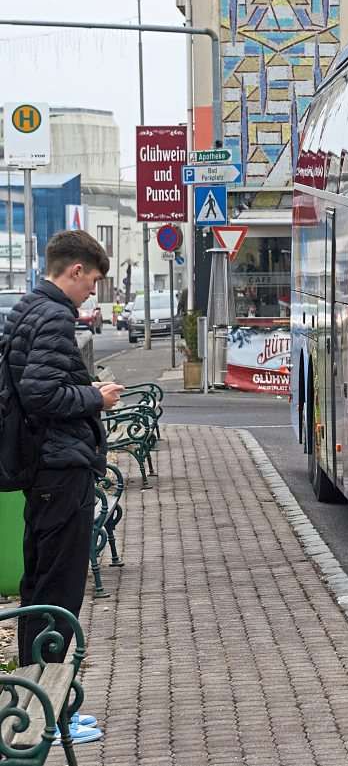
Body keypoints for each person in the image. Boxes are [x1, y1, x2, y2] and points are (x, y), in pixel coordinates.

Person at [9, 230, 122, 742]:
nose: (92, 293)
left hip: (40, 468)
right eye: (93, 282)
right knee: (58, 592)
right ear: (74, 271)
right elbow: (41, 393)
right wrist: (96, 398)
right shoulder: (54, 315)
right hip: (61, 467)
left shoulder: (26, 308)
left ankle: (34, 698)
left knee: (39, 587)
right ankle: (51, 715)